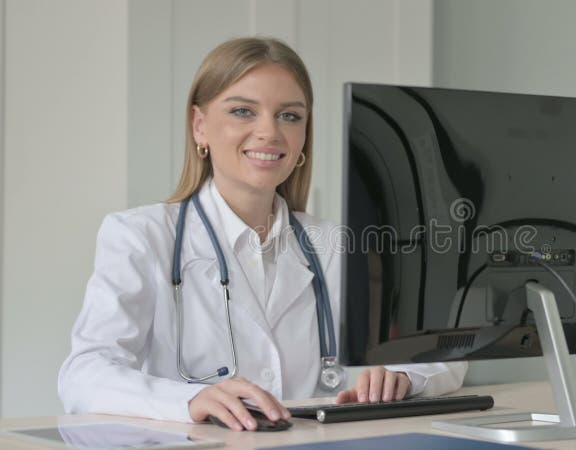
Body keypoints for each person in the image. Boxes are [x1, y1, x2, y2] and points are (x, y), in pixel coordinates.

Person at [58, 37, 467, 431]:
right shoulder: (141, 236)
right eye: (243, 111)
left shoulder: (340, 245)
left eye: (289, 115)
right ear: (200, 126)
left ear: (305, 135)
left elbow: (444, 354)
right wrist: (188, 401)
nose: (270, 132)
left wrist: (404, 378)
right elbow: (84, 375)